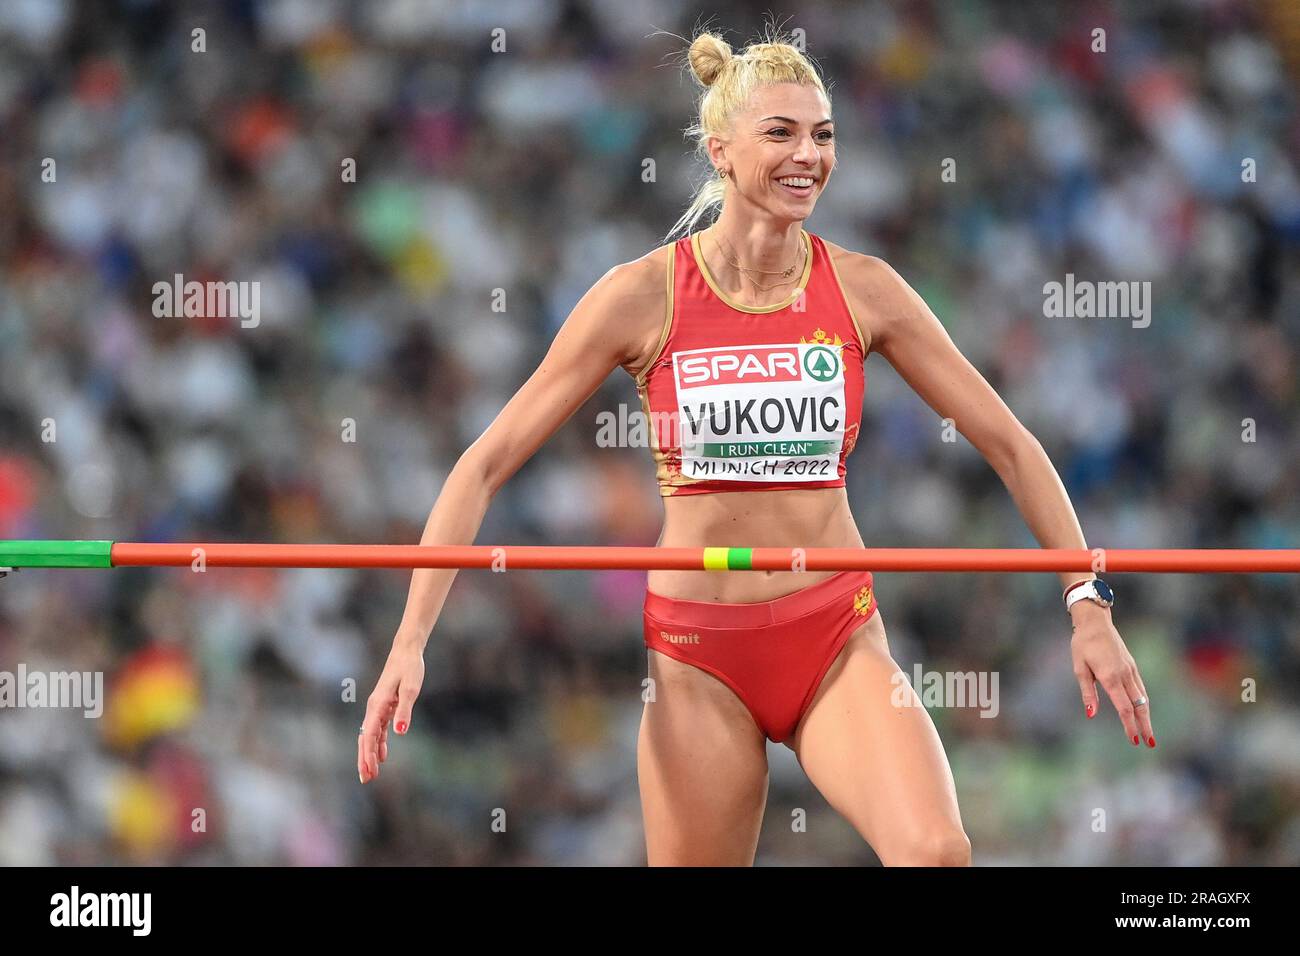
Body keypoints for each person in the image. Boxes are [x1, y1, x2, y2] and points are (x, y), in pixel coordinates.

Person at [357, 28, 1156, 866]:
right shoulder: (642, 295)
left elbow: (1011, 445)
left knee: (936, 853)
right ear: (721, 151)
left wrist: (1086, 601)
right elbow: (483, 465)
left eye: (823, 135)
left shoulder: (865, 289)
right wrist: (410, 641)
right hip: (699, 655)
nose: (808, 154)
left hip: (834, 634)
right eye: (781, 133)